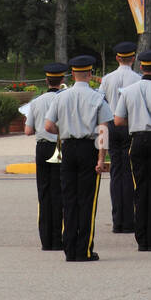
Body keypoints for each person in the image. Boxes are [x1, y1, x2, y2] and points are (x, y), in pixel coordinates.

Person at [43, 56, 112, 261]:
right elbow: (103, 130)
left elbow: (47, 126)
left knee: (69, 199)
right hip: (87, 149)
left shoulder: (61, 97)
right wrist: (101, 158)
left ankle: (70, 248)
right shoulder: (97, 98)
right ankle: (84, 249)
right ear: (90, 75)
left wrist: (62, 130)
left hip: (68, 148)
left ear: (72, 74)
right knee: (87, 201)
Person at [113, 48, 151, 252]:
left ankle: (141, 237)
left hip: (136, 140)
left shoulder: (128, 91)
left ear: (141, 66)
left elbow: (118, 120)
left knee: (139, 188)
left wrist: (137, 120)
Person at [23, 61, 68, 251]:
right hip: (60, 146)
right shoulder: (66, 98)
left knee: (44, 193)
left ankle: (46, 240)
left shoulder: (37, 101)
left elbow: (27, 130)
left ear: (46, 80)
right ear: (63, 79)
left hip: (42, 148)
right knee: (59, 193)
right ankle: (58, 238)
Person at [99, 41, 141, 233]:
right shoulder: (137, 79)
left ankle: (118, 220)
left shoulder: (107, 79)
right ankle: (130, 218)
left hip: (111, 124)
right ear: (133, 58)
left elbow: (101, 102)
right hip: (129, 125)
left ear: (117, 58)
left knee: (116, 172)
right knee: (130, 172)